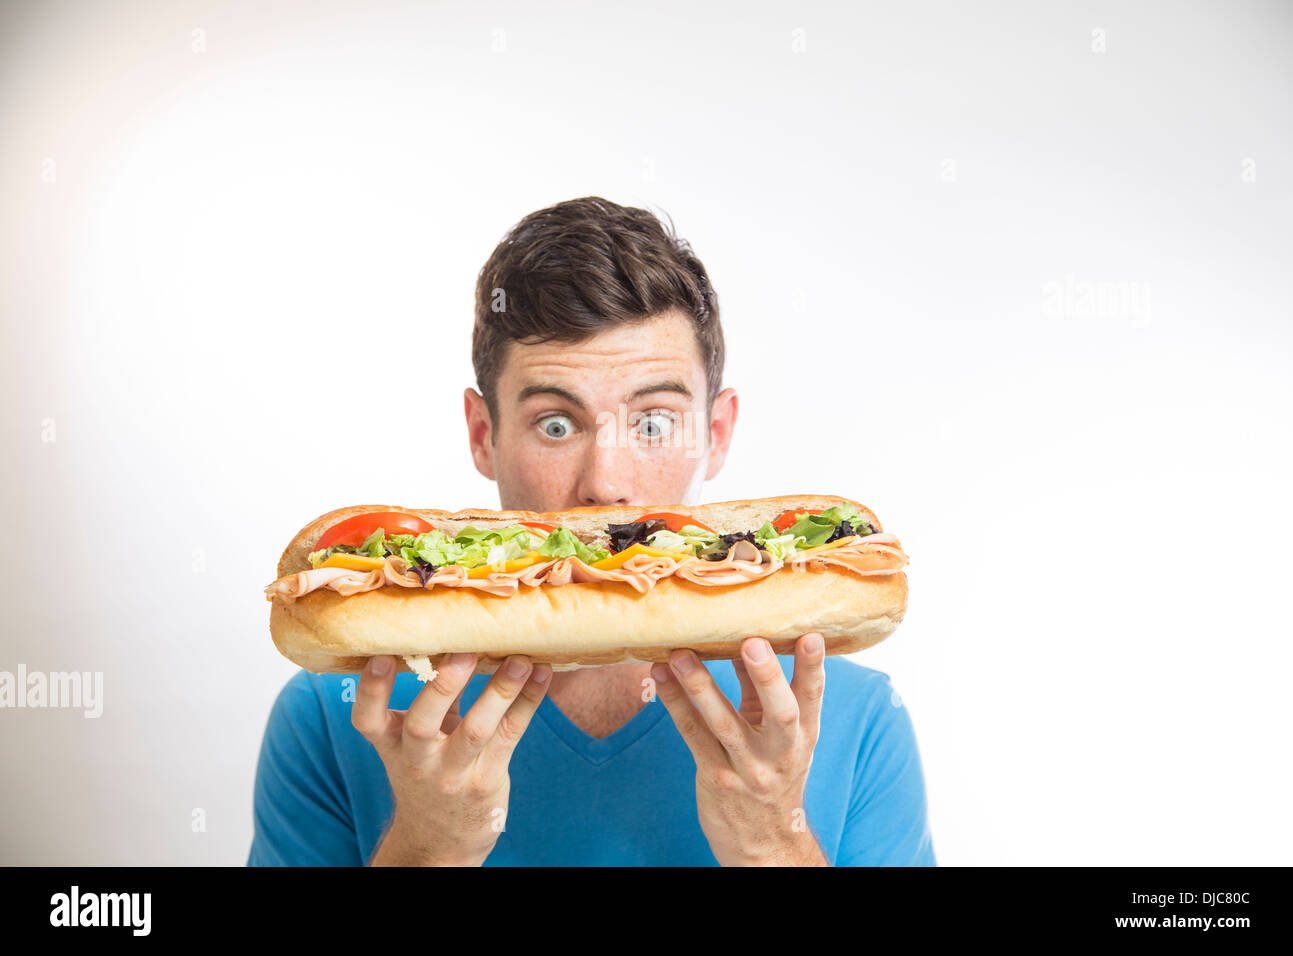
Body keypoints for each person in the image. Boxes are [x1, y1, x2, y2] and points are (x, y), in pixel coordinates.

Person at [247, 196, 936, 866]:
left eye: (654, 422)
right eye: (555, 423)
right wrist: (428, 849)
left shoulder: (860, 716)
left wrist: (771, 843)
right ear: (484, 435)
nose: (606, 484)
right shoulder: (336, 711)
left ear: (716, 435)